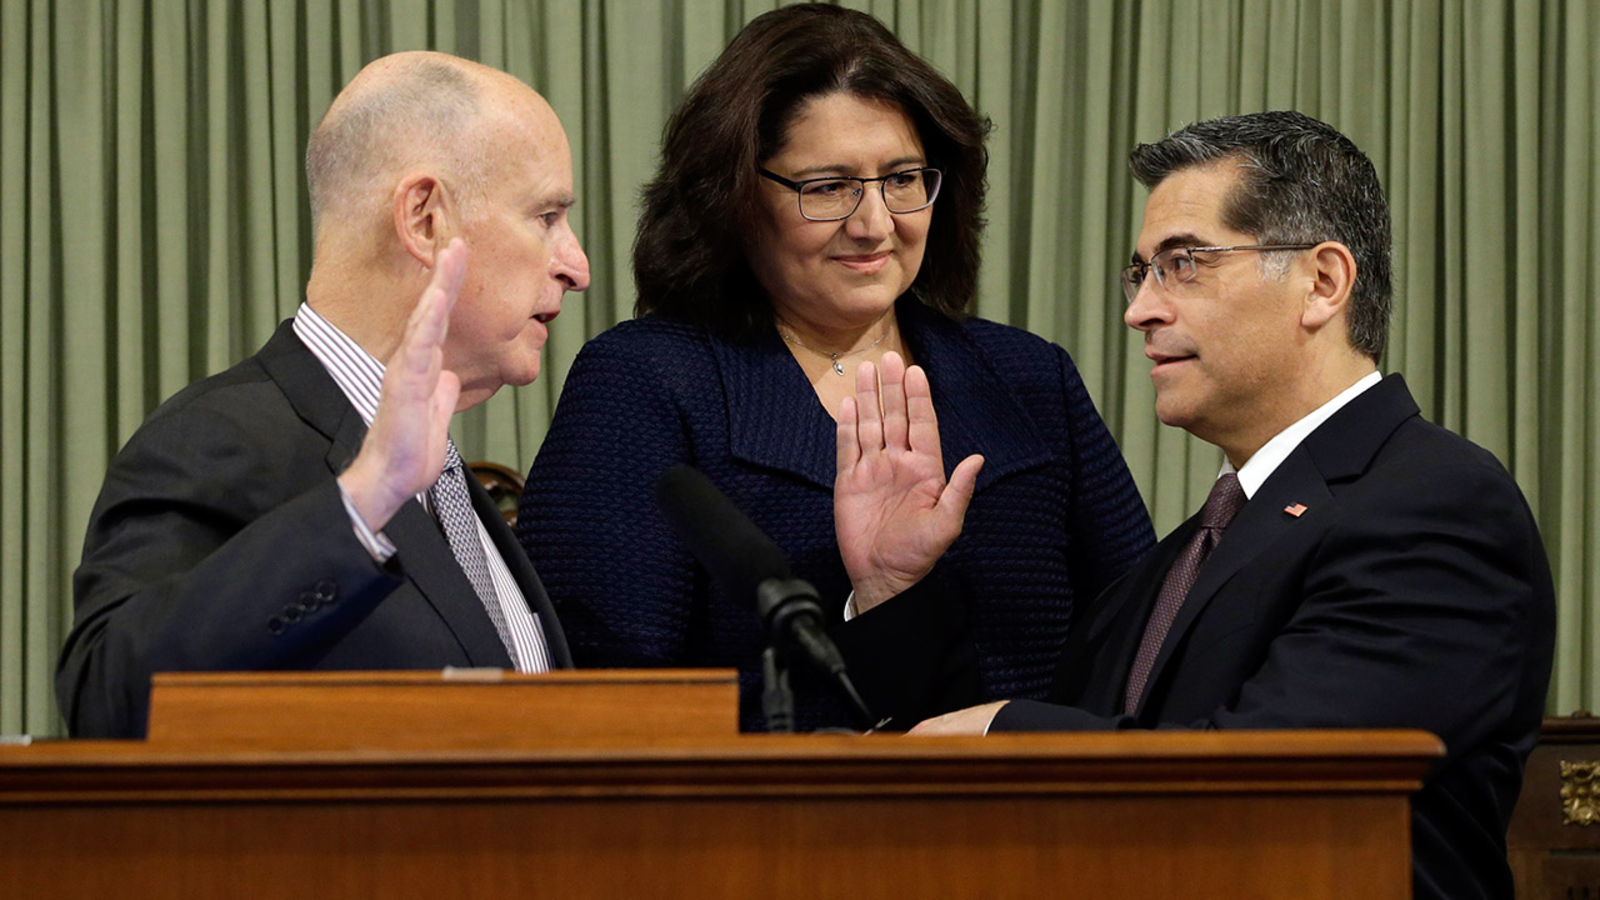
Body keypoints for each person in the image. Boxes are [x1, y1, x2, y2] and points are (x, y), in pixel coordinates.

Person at [846, 111, 1555, 900]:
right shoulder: (1185, 553)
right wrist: (892, 587)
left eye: (1184, 264)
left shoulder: (1439, 503)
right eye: (1142, 272)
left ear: (1323, 282)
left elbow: (1280, 787)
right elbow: (1013, 784)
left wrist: (1012, 731)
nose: (1140, 310)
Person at [517, 4, 1154, 731]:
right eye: (827, 187)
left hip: (1049, 828)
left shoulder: (1029, 376)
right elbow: (605, 704)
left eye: (903, 179)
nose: (875, 223)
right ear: (733, 197)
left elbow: (1142, 642)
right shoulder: (644, 383)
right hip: (765, 833)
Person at [55, 52, 593, 739]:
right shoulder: (218, 439)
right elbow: (108, 700)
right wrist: (361, 501)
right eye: (546, 216)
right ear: (424, 219)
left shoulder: (451, 482)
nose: (575, 266)